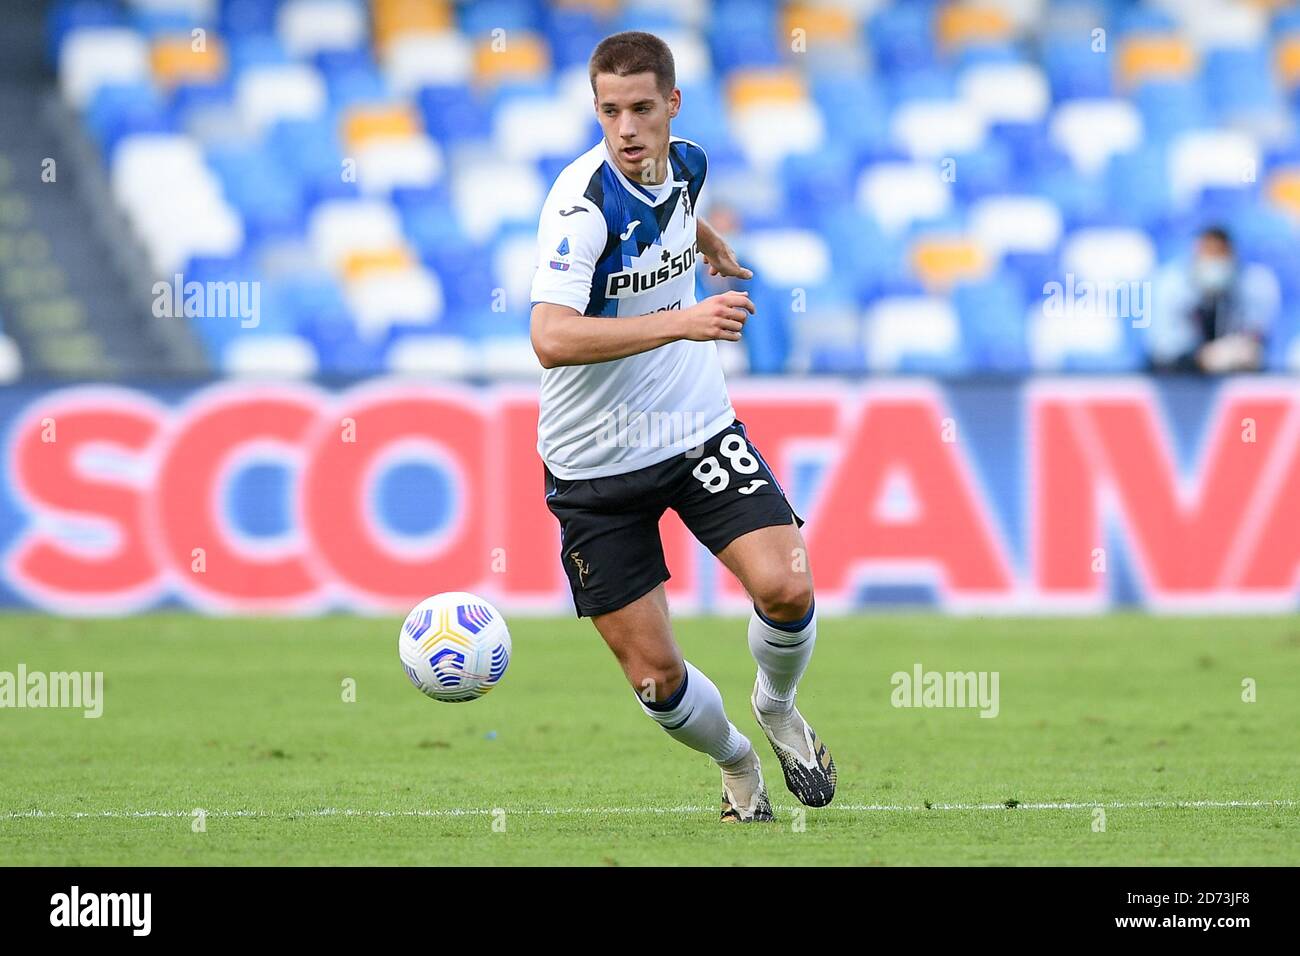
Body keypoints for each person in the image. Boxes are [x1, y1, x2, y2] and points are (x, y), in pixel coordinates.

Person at [527, 31, 835, 822]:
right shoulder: (580, 207)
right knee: (656, 680)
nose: (625, 129)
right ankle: (737, 763)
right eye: (608, 112)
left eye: (639, 109)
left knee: (789, 586)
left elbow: (677, 207)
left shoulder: (688, 162)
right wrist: (681, 320)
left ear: (671, 105)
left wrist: (711, 243)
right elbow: (551, 336)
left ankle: (777, 707)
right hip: (595, 466)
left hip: (695, 429)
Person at [1149, 226, 1280, 372]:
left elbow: (1258, 338)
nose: (1214, 260)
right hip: (1179, 378)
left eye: (1220, 253)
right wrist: (1204, 358)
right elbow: (1165, 352)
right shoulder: (1171, 285)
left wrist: (1244, 350)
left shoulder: (1255, 284)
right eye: (1208, 252)